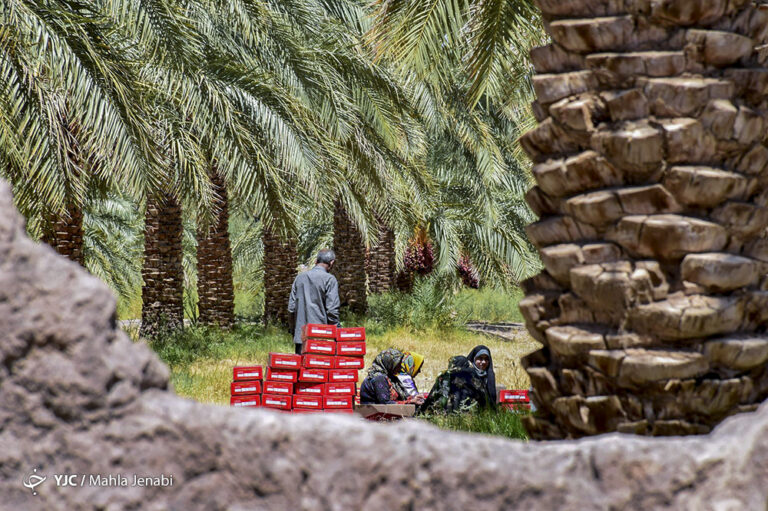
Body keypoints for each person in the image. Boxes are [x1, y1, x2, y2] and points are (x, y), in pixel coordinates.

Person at [287, 249, 341, 355]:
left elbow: (291, 308)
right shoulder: (330, 280)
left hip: (300, 338)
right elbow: (332, 310)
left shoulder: (299, 278)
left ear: (316, 261)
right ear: (332, 262)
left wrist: (295, 331)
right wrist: (338, 333)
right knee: (317, 370)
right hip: (320, 337)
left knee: (302, 370)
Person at [418, 356, 491, 414]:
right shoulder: (472, 376)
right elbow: (485, 399)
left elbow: (431, 398)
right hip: (468, 416)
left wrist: (419, 413)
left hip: (443, 415)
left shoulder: (444, 376)